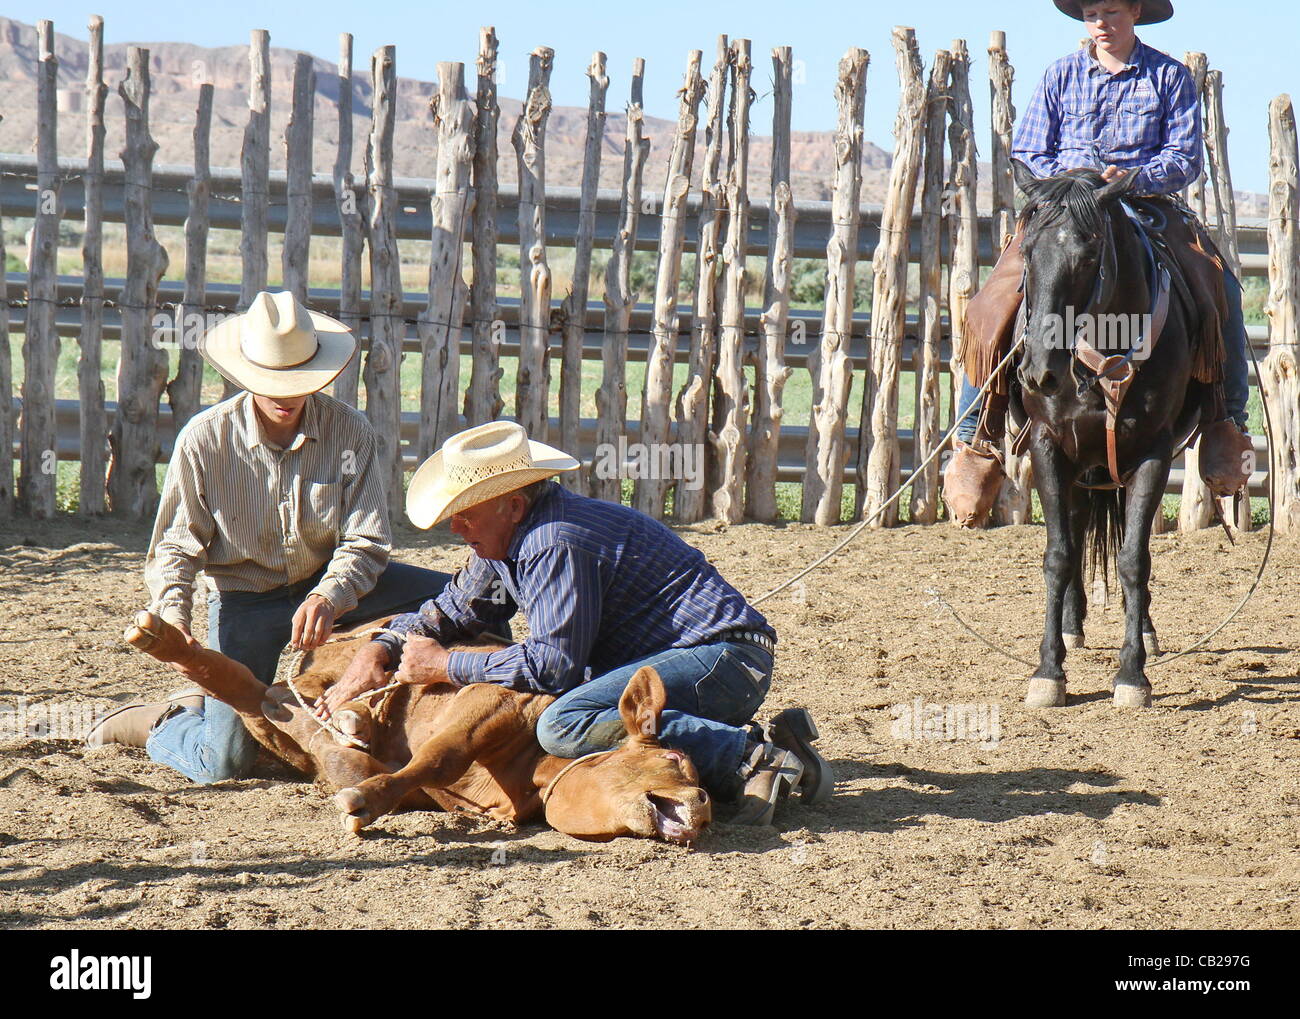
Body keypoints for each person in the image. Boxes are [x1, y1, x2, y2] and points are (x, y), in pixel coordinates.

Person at [317, 419, 834, 826]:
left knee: (563, 723)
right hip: (718, 658)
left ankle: (750, 757)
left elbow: (554, 666)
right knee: (586, 719)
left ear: (513, 505)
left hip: (721, 659)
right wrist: (382, 647)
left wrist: (447, 664)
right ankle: (755, 752)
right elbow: (446, 611)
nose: (455, 527)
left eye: (465, 514)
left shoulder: (553, 543)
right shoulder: (508, 542)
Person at [87, 291, 455, 784]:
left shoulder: (352, 432)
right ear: (246, 376)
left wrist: (331, 592)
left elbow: (367, 540)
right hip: (245, 600)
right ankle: (162, 722)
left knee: (453, 597)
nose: (286, 394)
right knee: (223, 763)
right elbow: (177, 544)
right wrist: (175, 620)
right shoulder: (205, 439)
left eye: (297, 381)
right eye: (271, 382)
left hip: (328, 581)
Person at [944, 0, 1253, 525]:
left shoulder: (1169, 77)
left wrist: (1128, 180)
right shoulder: (1061, 74)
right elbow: (1029, 153)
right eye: (1092, 13)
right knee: (992, 301)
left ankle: (1226, 419)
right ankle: (978, 434)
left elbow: (1183, 159)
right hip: (1066, 210)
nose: (1101, 22)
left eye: (1111, 10)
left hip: (1146, 209)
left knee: (1218, 287)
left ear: (1135, 12)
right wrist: (1074, 186)